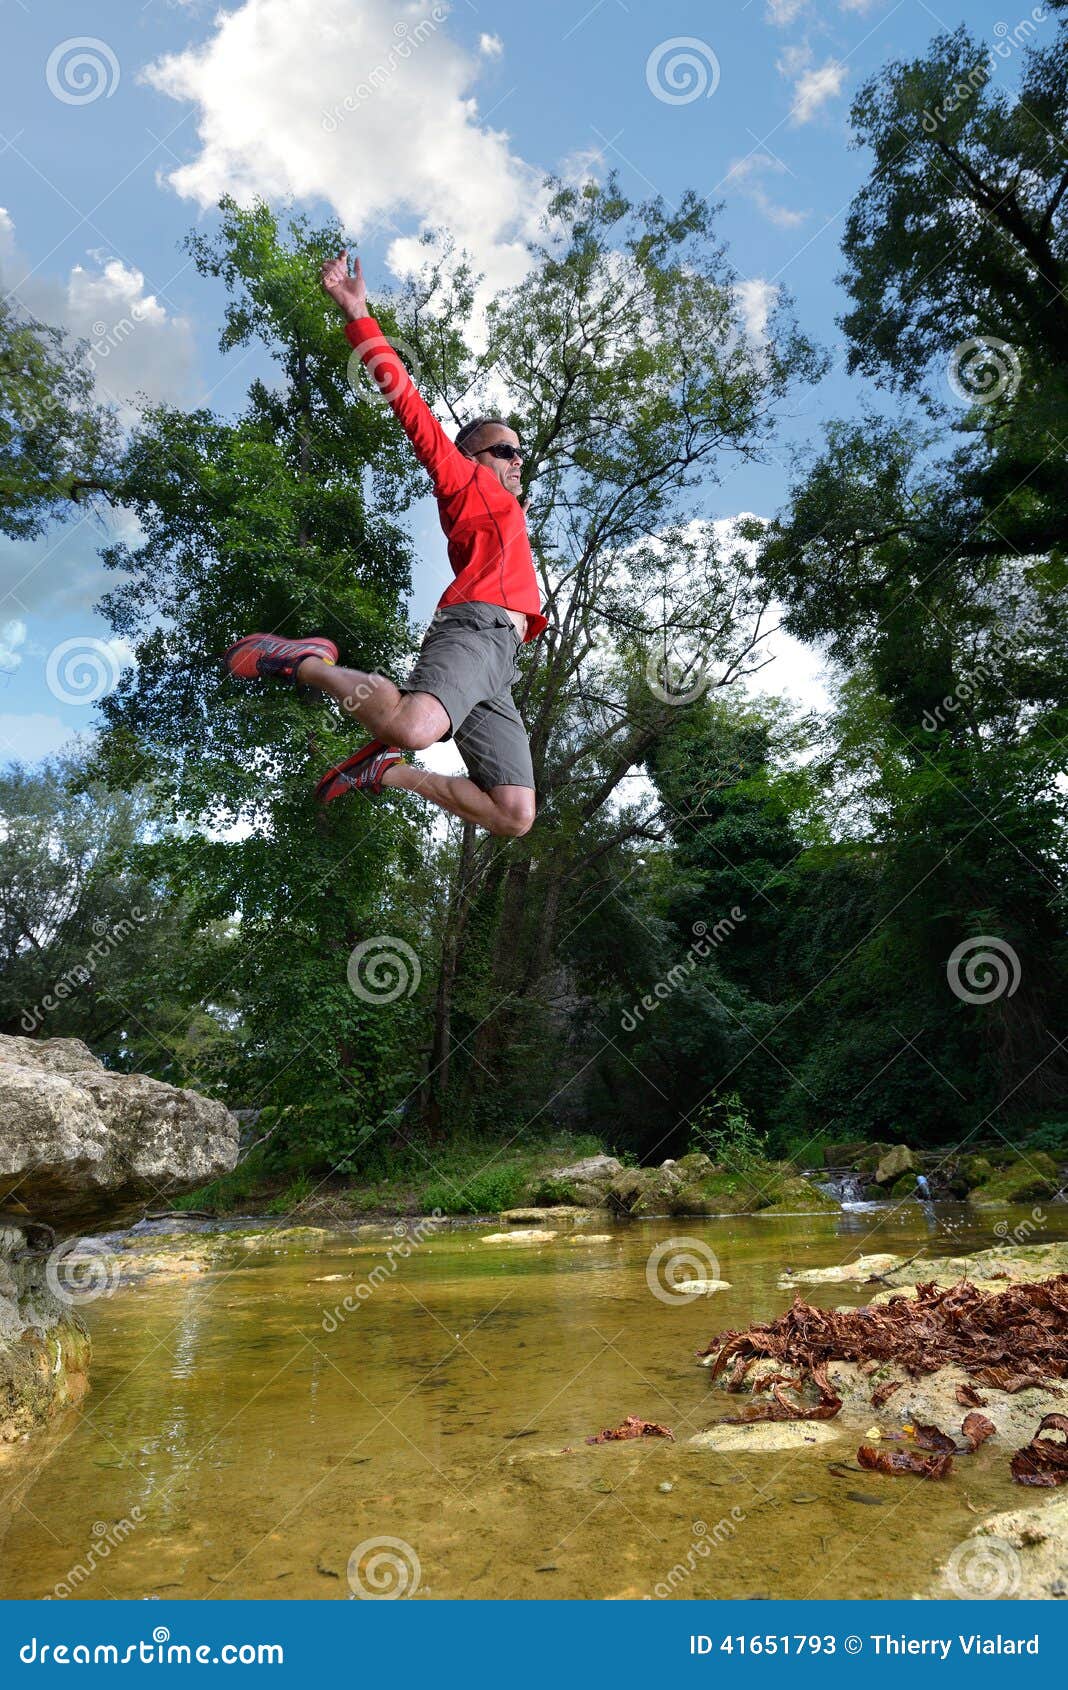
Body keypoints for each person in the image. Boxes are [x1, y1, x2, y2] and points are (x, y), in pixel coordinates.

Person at [223, 250, 546, 840]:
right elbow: (409, 405)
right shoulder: (463, 479)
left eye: (521, 451)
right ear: (472, 456)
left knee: (514, 814)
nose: (518, 460)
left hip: (501, 659)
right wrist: (357, 312)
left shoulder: (505, 510)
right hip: (475, 628)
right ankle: (303, 661)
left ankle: (384, 773)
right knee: (412, 725)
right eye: (506, 450)